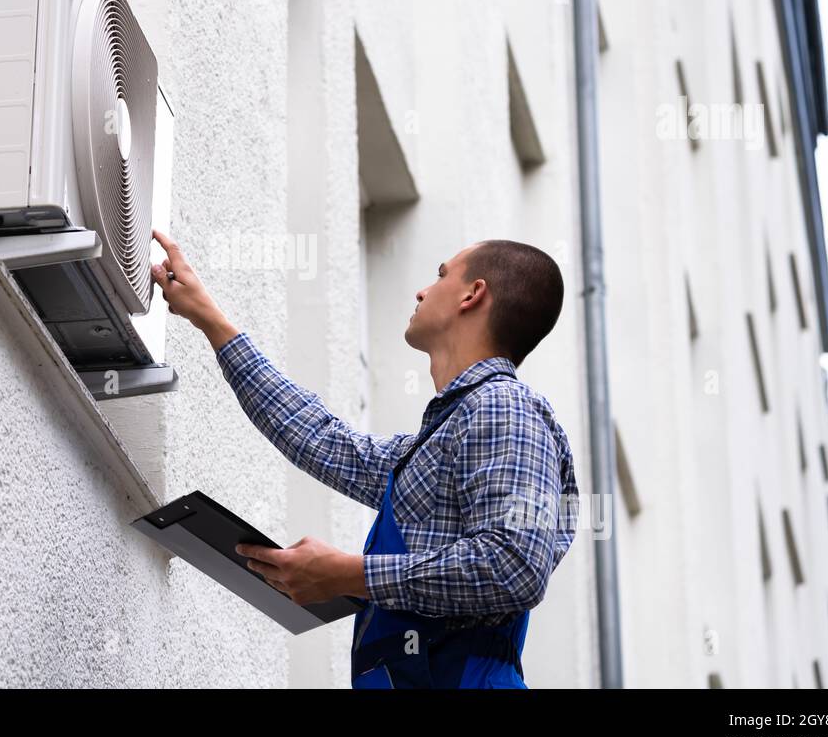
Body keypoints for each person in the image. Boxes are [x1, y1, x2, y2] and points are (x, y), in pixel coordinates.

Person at [149, 228, 579, 689]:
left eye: (441, 275)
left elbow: (514, 566)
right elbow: (321, 439)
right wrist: (209, 318)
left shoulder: (507, 407)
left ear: (472, 295)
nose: (422, 291)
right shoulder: (439, 438)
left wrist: (350, 575)